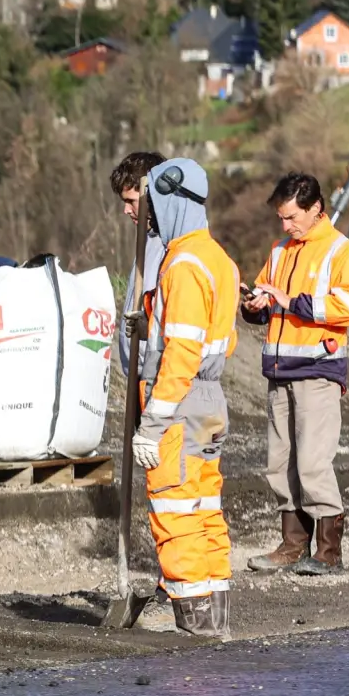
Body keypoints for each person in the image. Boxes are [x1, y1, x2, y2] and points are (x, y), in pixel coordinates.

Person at [126, 158, 239, 638]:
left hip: (180, 402)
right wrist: (151, 320)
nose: (146, 214)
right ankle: (214, 618)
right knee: (204, 506)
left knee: (175, 508)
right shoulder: (218, 259)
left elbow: (181, 352)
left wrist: (152, 423)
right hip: (209, 400)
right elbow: (215, 339)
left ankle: (192, 620)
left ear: (171, 201)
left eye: (151, 202)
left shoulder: (184, 263)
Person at [242, 172, 349, 576]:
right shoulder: (280, 251)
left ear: (315, 209)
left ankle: (329, 552)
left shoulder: (341, 250)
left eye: (291, 217)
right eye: (281, 217)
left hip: (317, 370)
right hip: (279, 371)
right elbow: (267, 300)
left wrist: (291, 300)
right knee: (280, 463)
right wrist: (254, 305)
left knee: (312, 462)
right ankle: (293, 546)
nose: (285, 225)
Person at [110, 151, 167, 378]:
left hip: (159, 375)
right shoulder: (147, 239)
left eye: (130, 201)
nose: (125, 210)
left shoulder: (171, 246)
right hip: (140, 375)